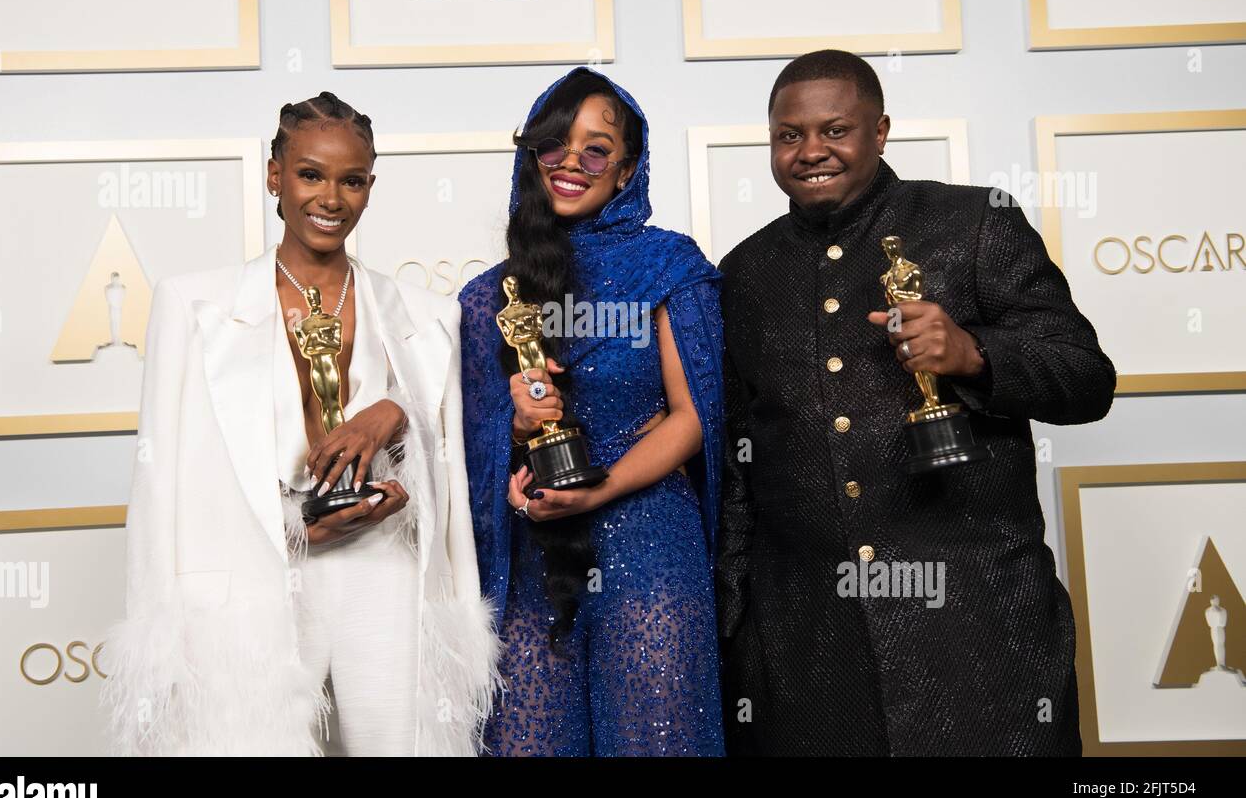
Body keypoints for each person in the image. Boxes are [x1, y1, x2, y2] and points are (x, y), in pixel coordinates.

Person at [717, 50, 1116, 756]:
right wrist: (734, 624)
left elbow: (1086, 378)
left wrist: (973, 355)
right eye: (789, 135)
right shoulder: (745, 271)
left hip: (977, 628)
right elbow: (740, 466)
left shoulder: (974, 222)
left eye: (835, 130)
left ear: (881, 130)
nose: (811, 151)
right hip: (810, 648)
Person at [102, 92, 498, 755]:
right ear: (273, 177)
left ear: (371, 186)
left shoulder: (429, 317)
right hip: (257, 578)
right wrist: (160, 624)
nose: (331, 198)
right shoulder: (192, 304)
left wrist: (396, 412)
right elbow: (160, 479)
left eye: (352, 180)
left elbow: (454, 461)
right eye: (311, 174)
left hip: (385, 573)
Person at [458, 68, 726, 755]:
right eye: (555, 143)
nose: (572, 162)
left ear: (628, 169)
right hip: (534, 556)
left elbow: (694, 415)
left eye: (597, 149)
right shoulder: (488, 296)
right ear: (531, 155)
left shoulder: (670, 263)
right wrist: (514, 432)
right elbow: (469, 444)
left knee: (656, 740)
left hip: (650, 547)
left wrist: (601, 487)